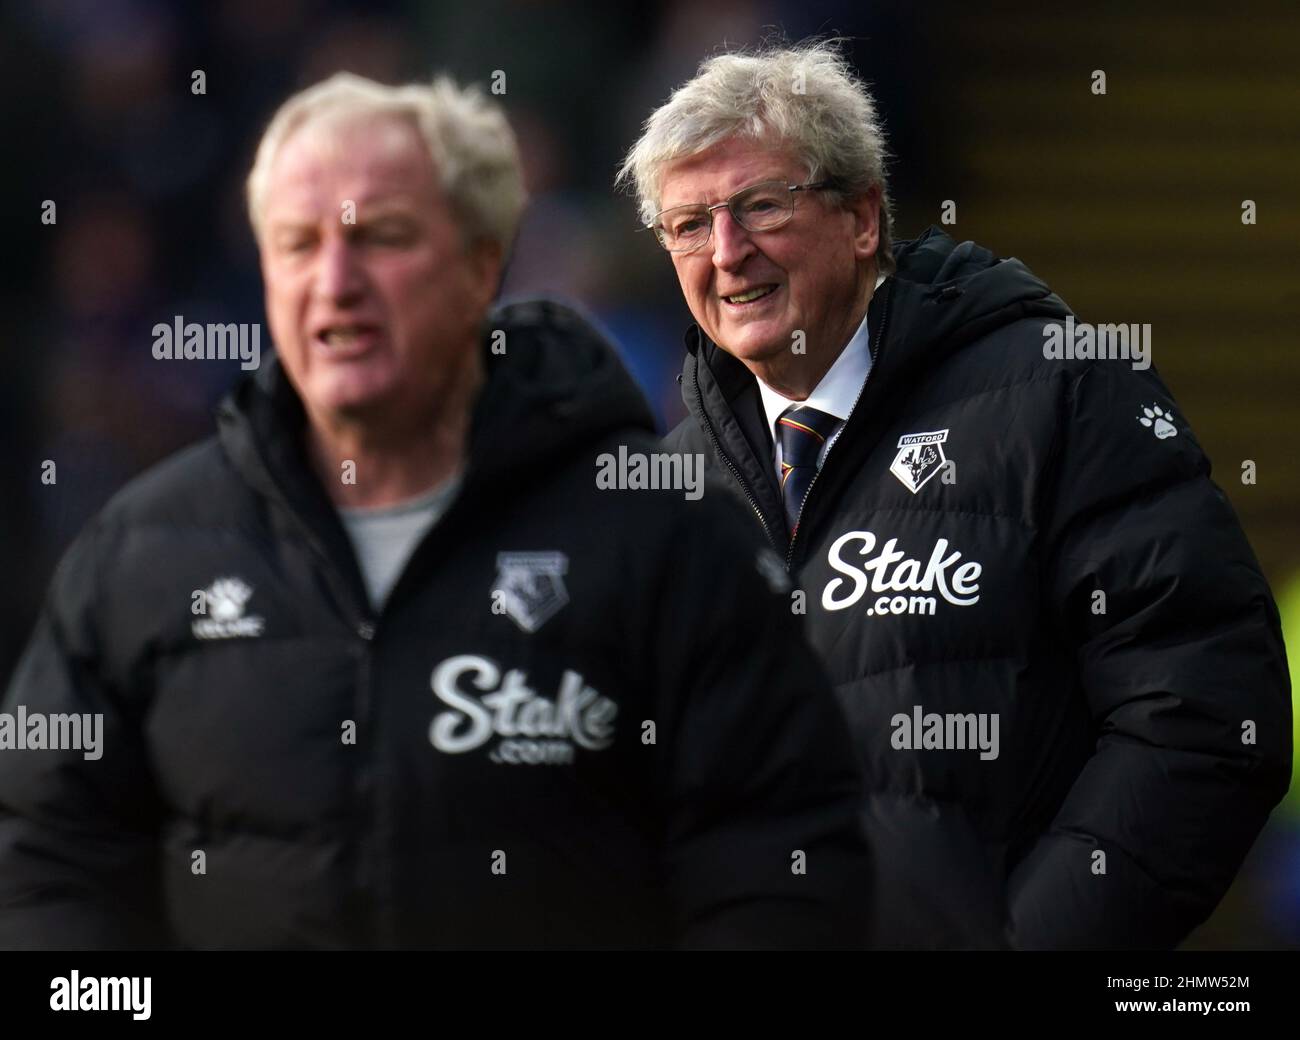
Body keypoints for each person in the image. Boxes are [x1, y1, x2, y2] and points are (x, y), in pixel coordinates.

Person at [0, 71, 870, 950]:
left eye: (381, 238)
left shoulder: (670, 538)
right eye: (297, 244)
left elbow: (781, 864)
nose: (335, 282)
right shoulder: (141, 551)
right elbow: (46, 865)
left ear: (478, 264)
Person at [619, 40, 1292, 949]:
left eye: (760, 207)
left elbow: (1205, 717)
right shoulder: (674, 484)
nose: (727, 253)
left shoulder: (1062, 390)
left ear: (863, 217)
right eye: (689, 225)